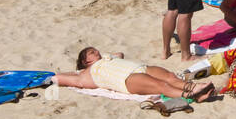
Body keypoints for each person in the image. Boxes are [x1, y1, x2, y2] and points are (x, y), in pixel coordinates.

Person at [53, 47, 214, 101]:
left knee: (170, 76)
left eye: (93, 49)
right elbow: (63, 78)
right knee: (161, 85)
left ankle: (196, 89)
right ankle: (190, 94)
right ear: (85, 62)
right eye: (89, 52)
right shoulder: (87, 74)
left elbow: (120, 54)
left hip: (139, 68)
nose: (94, 50)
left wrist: (104, 57)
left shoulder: (108, 57)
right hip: (126, 79)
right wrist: (75, 71)